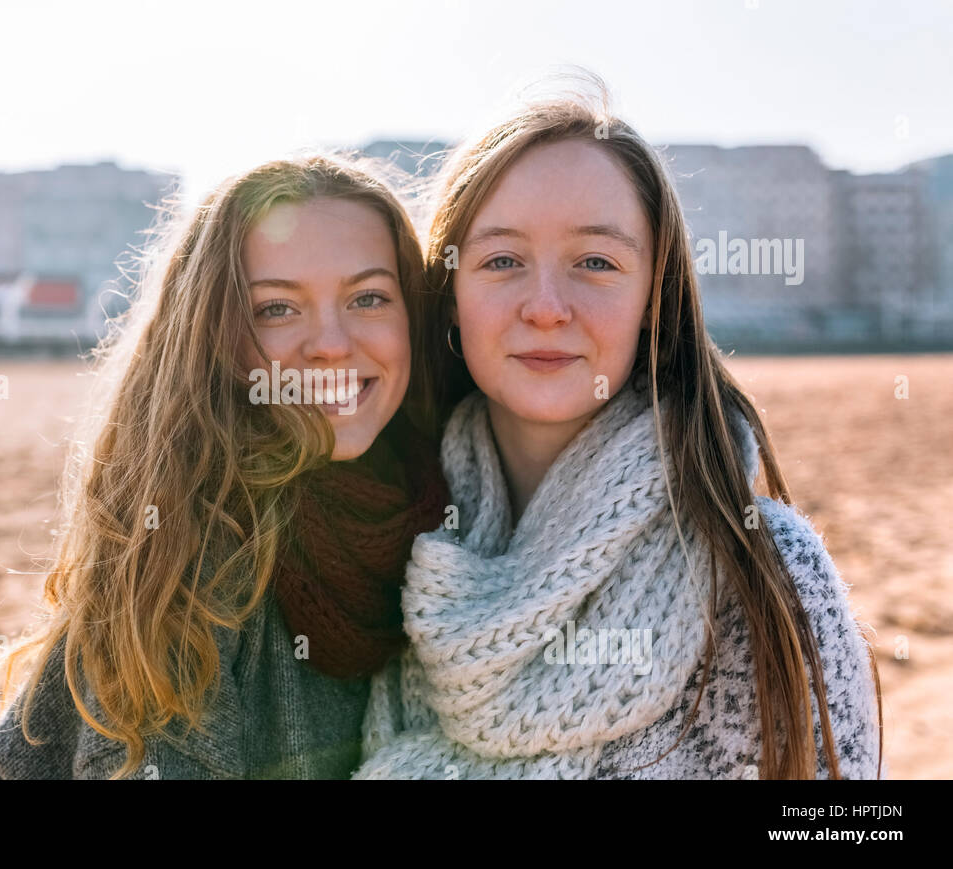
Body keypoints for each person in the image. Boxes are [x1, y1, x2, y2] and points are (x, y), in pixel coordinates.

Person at [355, 77, 885, 780]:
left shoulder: (764, 574)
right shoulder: (383, 548)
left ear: (652, 298)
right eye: (502, 260)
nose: (546, 306)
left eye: (596, 262)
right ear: (450, 297)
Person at [0, 154, 449, 779]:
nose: (331, 342)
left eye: (368, 297)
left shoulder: (456, 498)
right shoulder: (193, 565)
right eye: (277, 308)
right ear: (213, 337)